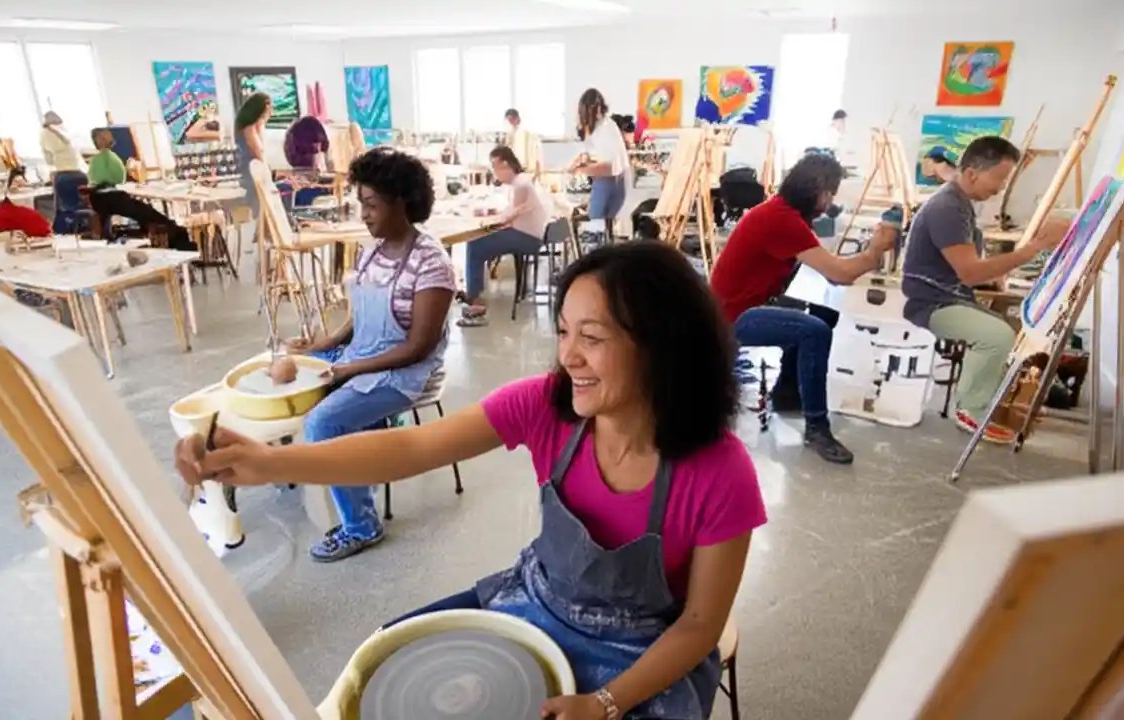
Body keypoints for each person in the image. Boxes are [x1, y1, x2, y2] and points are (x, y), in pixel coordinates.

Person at [176, 241, 765, 720]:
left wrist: (605, 704)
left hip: (646, 648)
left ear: (661, 347)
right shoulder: (547, 406)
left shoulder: (719, 471)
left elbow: (699, 625)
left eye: (592, 337)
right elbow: (411, 447)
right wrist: (270, 462)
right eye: (563, 332)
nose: (568, 357)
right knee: (387, 656)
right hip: (539, 598)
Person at [280, 147, 455, 562]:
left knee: (323, 420)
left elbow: (418, 347)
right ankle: (307, 467)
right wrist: (323, 346)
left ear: (402, 203)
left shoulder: (432, 264)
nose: (364, 214)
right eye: (361, 203)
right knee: (292, 376)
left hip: (406, 372)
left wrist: (349, 369)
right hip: (363, 353)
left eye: (371, 204)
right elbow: (360, 315)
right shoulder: (372, 249)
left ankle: (361, 524)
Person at [710, 152, 896, 464]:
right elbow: (840, 274)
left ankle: (787, 395)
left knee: (823, 313)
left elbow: (832, 275)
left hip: (744, 305)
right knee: (814, 330)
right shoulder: (780, 219)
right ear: (815, 190)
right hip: (732, 316)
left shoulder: (783, 213)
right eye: (830, 193)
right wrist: (875, 250)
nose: (830, 202)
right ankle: (817, 427)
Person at [901, 136, 1067, 443]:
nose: (1001, 188)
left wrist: (997, 274)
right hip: (930, 303)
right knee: (997, 336)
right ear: (973, 173)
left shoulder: (961, 204)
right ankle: (971, 411)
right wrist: (1033, 249)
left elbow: (967, 268)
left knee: (1012, 328)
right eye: (1000, 178)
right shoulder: (947, 208)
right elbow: (970, 271)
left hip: (949, 295)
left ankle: (1002, 401)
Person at [457, 146, 551, 327]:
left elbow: (511, 217)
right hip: (526, 232)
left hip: (527, 236)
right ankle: (475, 291)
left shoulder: (521, 184)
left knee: (475, 244)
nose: (495, 173)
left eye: (496, 167)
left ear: (505, 165)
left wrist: (492, 223)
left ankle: (475, 300)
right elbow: (512, 214)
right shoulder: (520, 182)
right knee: (480, 241)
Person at [86, 128, 194, 251]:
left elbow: (107, 179)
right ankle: (176, 236)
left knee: (146, 212)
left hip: (105, 197)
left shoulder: (99, 160)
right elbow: (117, 178)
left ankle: (173, 235)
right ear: (101, 139)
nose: (111, 138)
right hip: (111, 197)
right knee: (148, 213)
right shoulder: (107, 158)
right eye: (107, 136)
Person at [570, 88, 630, 246]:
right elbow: (588, 151)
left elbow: (608, 167)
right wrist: (580, 161)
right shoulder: (600, 126)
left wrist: (580, 170)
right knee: (601, 229)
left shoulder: (605, 128)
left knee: (595, 228)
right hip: (612, 183)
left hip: (610, 183)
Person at [235, 92, 272, 213]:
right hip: (253, 176)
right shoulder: (250, 129)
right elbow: (258, 152)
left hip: (249, 174)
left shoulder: (246, 127)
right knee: (262, 213)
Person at [40, 112, 86, 176]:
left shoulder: (56, 130)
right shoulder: (45, 133)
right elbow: (53, 148)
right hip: (61, 165)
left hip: (71, 165)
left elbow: (67, 142)